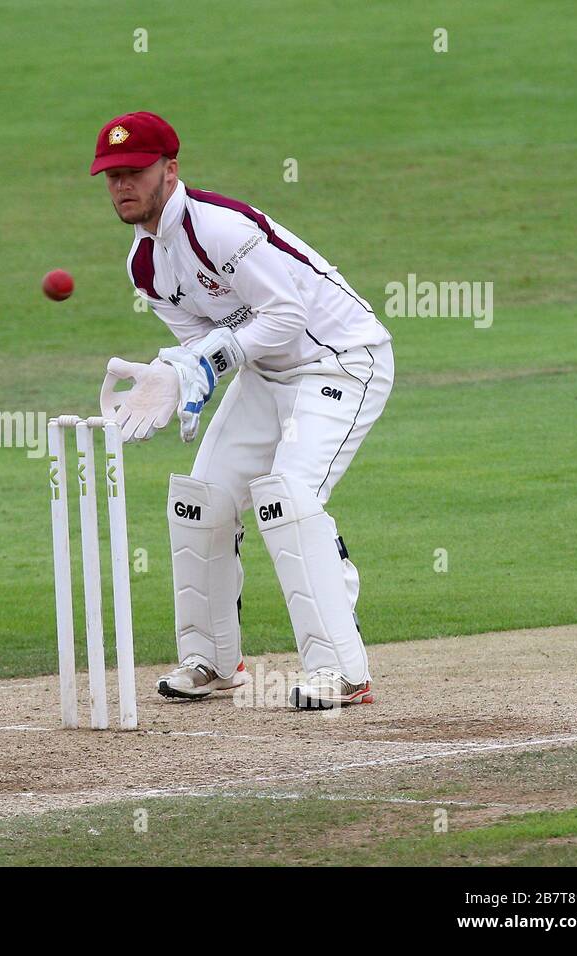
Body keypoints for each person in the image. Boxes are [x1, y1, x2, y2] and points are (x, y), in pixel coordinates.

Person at [93, 112, 393, 709]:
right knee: (201, 496)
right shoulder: (145, 265)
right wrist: (177, 376)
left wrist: (211, 356)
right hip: (268, 371)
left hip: (340, 359)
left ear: (170, 170)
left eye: (135, 172)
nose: (122, 185)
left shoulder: (220, 228)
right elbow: (207, 339)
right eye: (111, 175)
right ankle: (211, 656)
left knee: (288, 495)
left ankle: (341, 668)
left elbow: (284, 317)